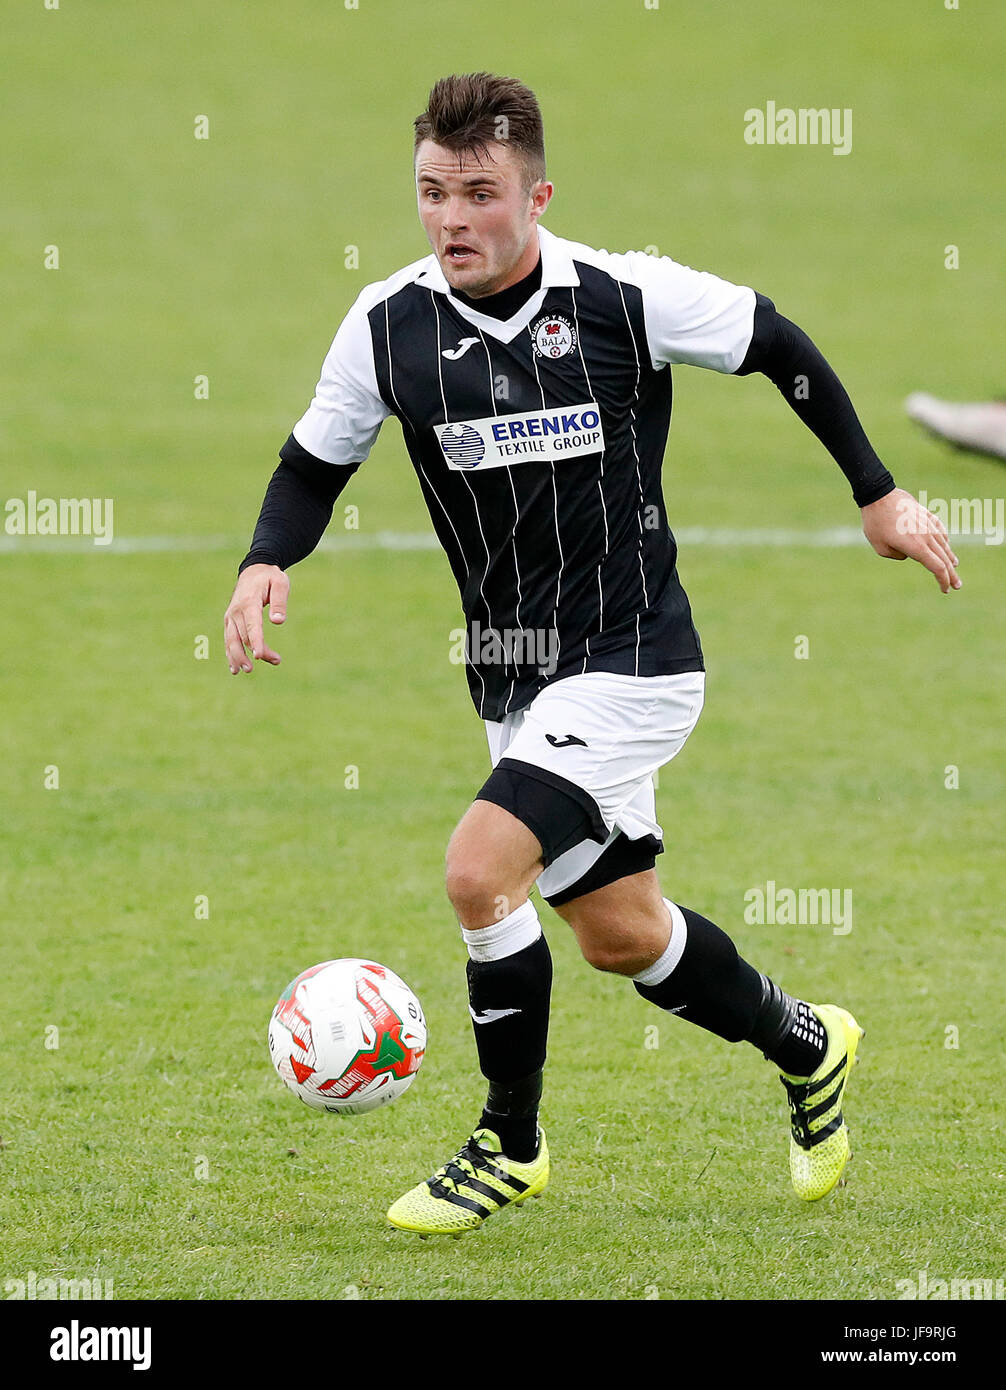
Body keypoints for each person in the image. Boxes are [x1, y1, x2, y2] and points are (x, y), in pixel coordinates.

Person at [224, 73, 960, 1237]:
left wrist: (877, 492)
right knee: (621, 934)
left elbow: (776, 340)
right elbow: (314, 462)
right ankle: (809, 1044)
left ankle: (507, 1147)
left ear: (536, 194)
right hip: (512, 677)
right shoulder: (386, 325)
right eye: (431, 192)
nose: (451, 217)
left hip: (634, 659)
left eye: (478, 193)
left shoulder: (622, 294)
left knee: (478, 870)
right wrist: (268, 559)